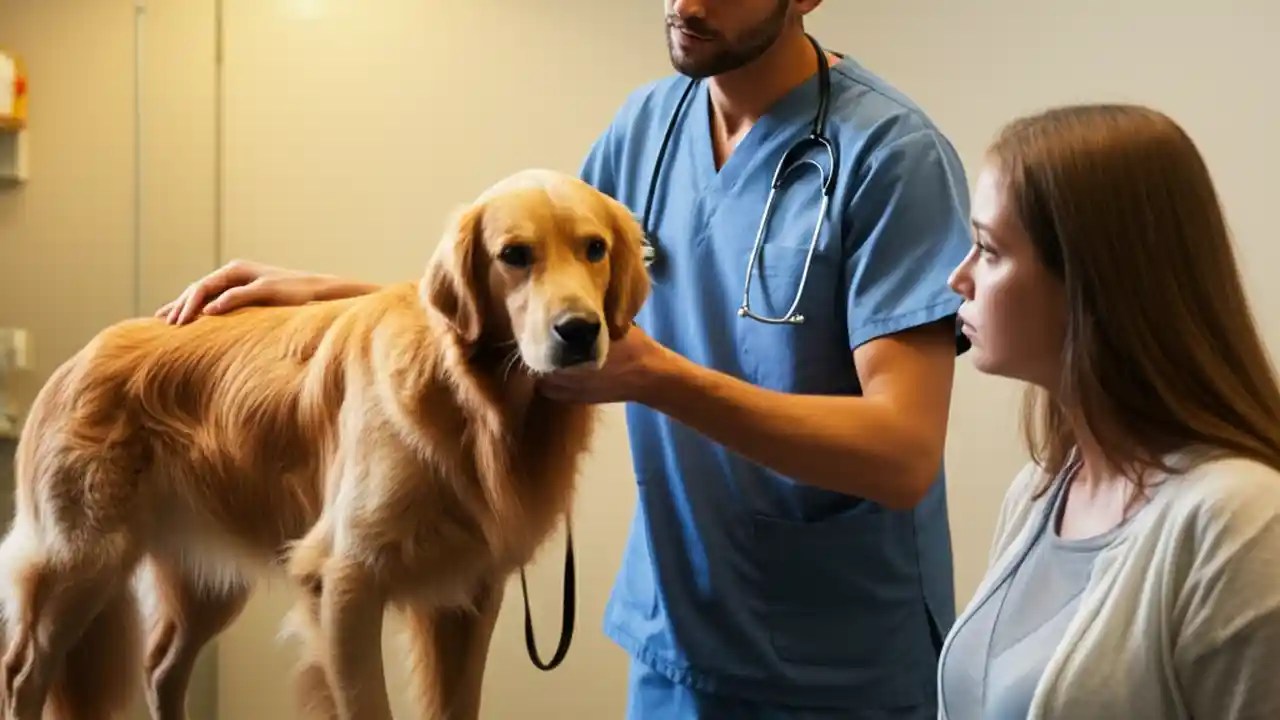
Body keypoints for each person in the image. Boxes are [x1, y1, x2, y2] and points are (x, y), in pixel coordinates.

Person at [157, 1, 973, 716]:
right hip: (677, 637)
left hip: (839, 661)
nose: (685, 4)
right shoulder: (650, 128)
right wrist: (331, 295)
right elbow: (537, 306)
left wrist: (658, 379)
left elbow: (901, 454)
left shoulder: (891, 158)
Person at [939, 103, 1280, 719]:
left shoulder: (1240, 520)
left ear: (1090, 279)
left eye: (988, 250)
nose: (959, 278)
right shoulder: (1039, 492)